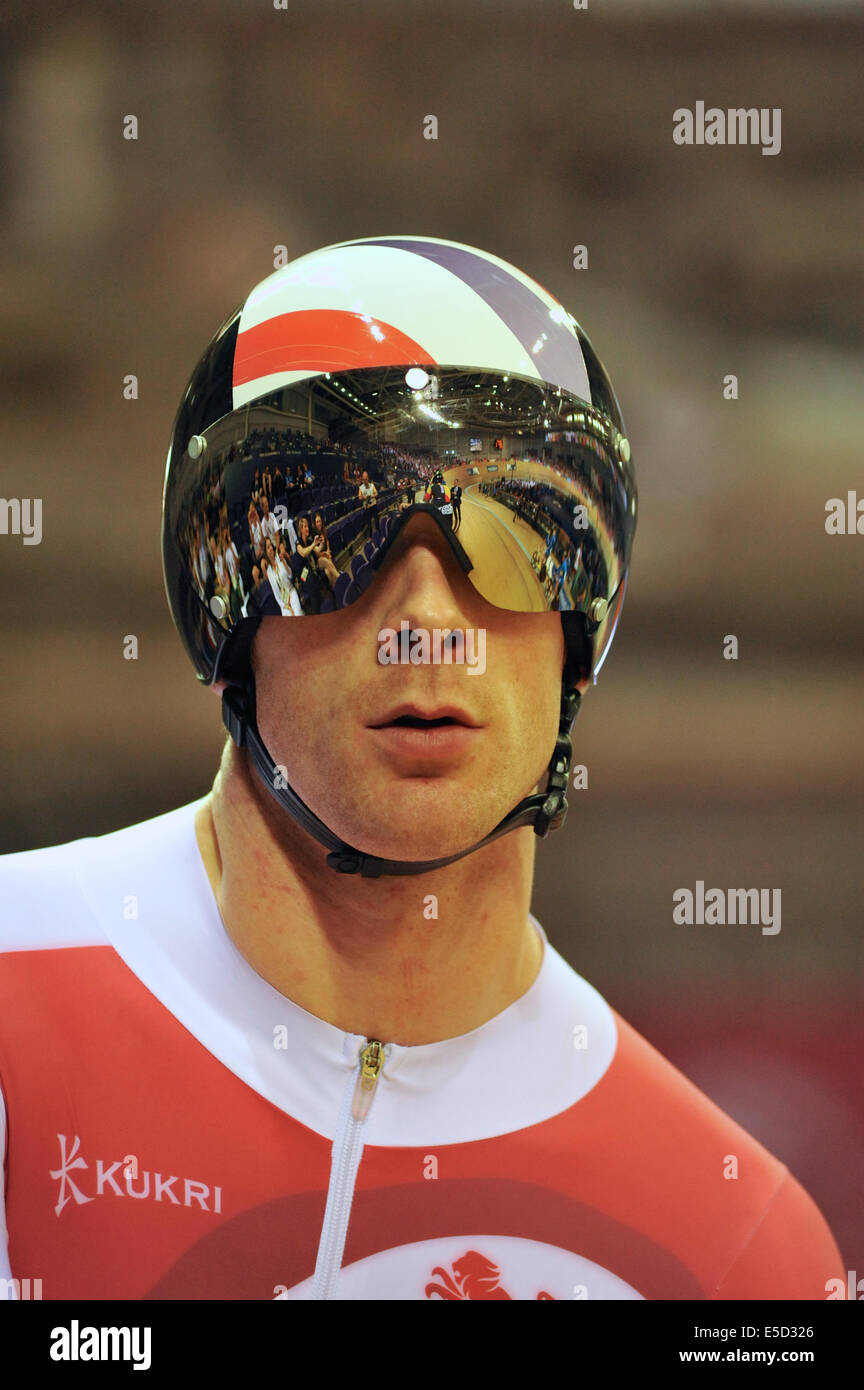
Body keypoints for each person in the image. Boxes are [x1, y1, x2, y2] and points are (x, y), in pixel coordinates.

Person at [0, 235, 843, 1301]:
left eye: (520, 531)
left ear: (585, 628)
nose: (428, 623)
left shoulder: (738, 1248)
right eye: (329, 527)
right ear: (224, 608)